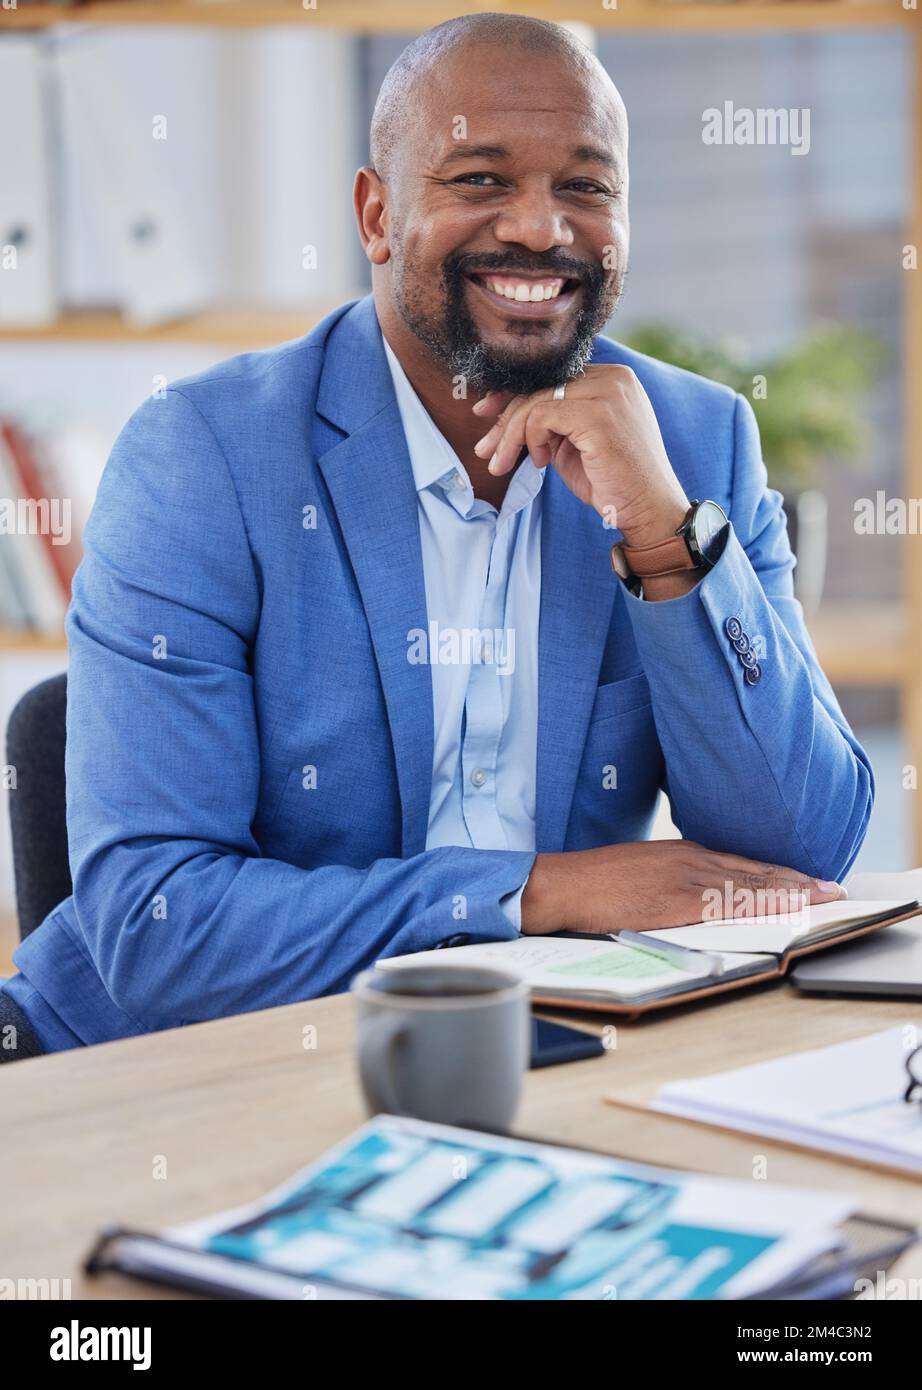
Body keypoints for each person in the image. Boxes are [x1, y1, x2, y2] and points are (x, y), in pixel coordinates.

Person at [0, 14, 870, 1060]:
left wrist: (663, 541)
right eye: (480, 179)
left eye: (586, 186)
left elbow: (802, 853)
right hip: (174, 1060)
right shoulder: (204, 455)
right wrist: (537, 892)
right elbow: (159, 926)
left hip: (545, 1043)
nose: (541, 228)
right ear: (377, 215)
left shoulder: (694, 441)